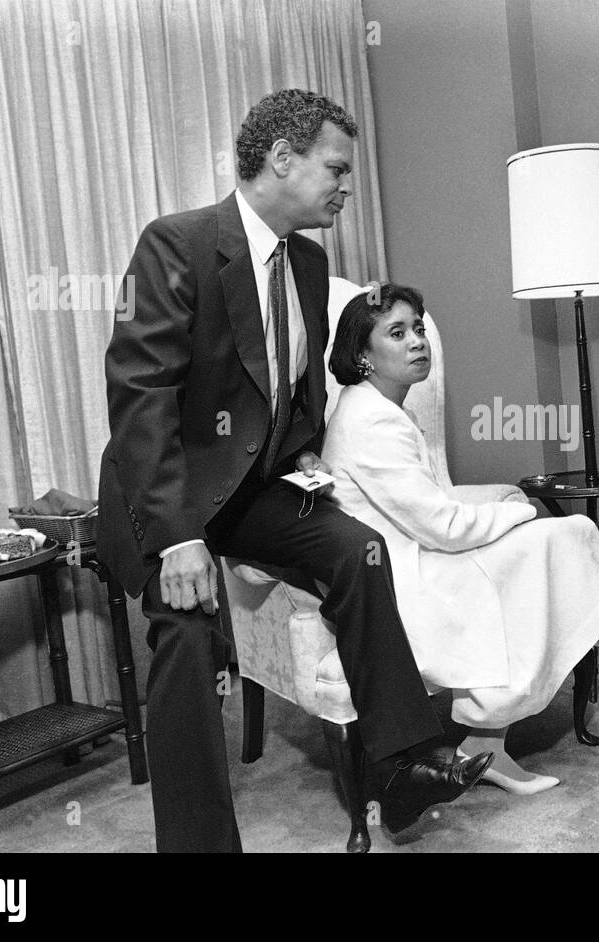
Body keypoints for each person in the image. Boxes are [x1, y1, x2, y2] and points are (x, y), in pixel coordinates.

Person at [98, 90, 491, 852]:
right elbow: (141, 399)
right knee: (186, 631)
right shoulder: (175, 245)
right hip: (167, 494)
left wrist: (305, 451)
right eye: (336, 168)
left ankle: (401, 768)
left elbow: (295, 381)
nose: (347, 186)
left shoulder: (307, 260)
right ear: (282, 159)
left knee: (356, 547)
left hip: (254, 488)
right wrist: (179, 540)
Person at [321, 284, 599, 793]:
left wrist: (505, 514)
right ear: (362, 355)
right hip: (403, 581)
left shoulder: (379, 409)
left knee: (564, 538)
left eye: (420, 329)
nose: (418, 342)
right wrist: (514, 516)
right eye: (397, 333)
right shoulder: (371, 421)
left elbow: (429, 512)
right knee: (558, 538)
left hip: (417, 556)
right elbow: (442, 528)